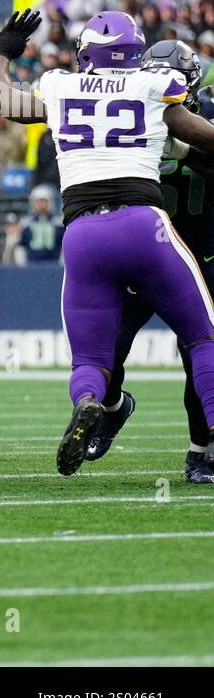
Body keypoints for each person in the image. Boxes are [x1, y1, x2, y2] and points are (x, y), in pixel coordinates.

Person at [0, 10, 214, 483]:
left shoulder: (60, 88)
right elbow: (200, 134)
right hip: (145, 228)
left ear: (85, 52)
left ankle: (91, 402)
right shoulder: (155, 88)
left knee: (91, 359)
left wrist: (4, 53)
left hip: (84, 234)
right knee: (202, 338)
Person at [89, 41, 214, 466]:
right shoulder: (124, 115)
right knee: (104, 347)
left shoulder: (207, 117)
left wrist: (185, 148)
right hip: (142, 257)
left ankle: (201, 452)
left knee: (197, 350)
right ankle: (112, 408)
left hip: (202, 255)